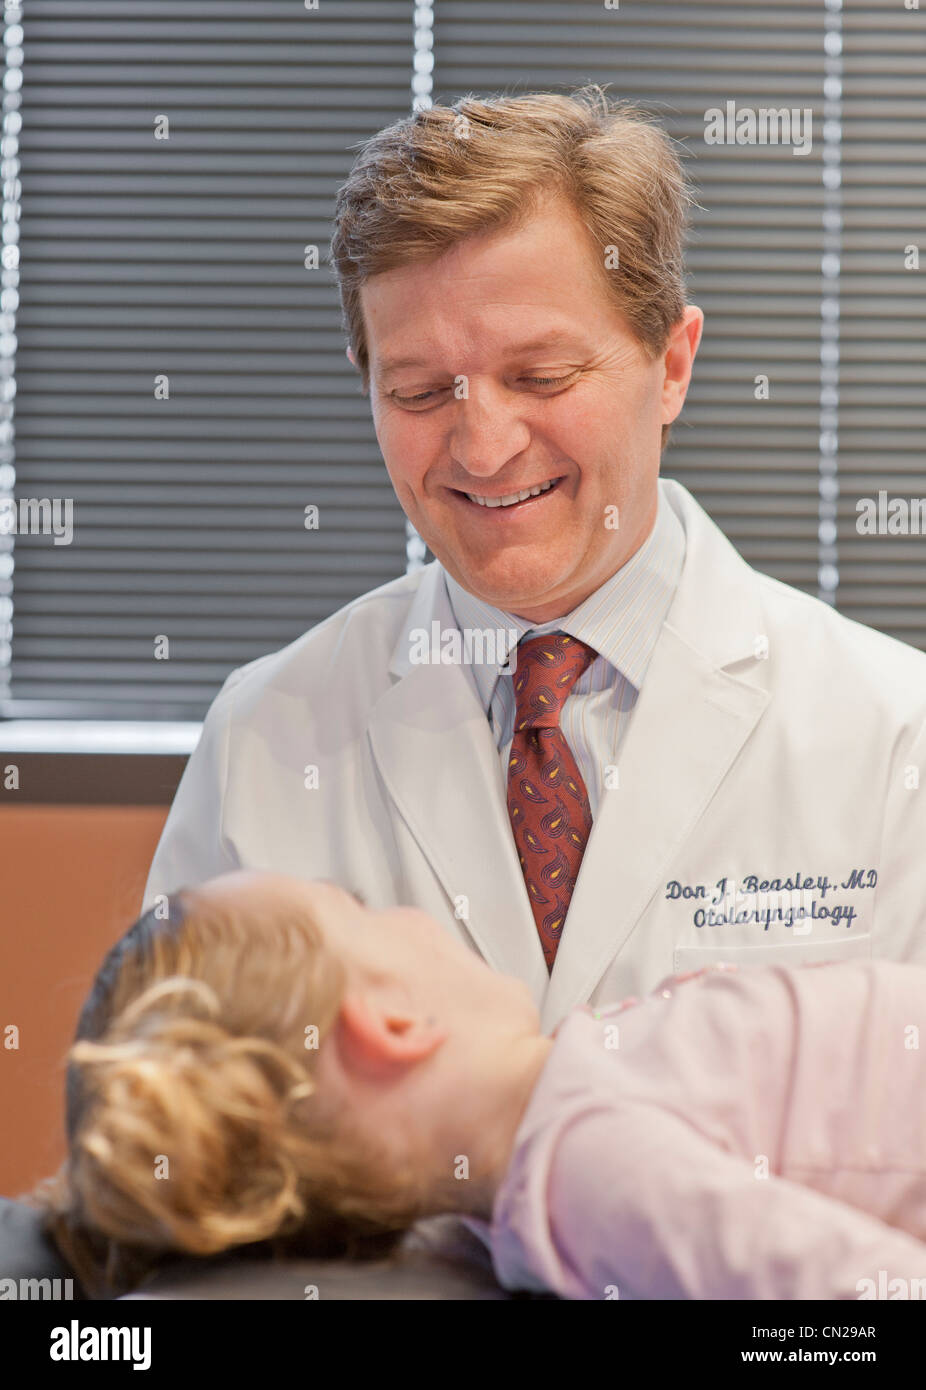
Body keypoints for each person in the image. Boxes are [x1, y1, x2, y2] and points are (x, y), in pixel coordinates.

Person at [143, 86, 926, 1031]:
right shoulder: (266, 735)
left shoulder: (891, 738)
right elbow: (179, 1136)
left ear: (671, 366)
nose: (482, 447)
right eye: (423, 390)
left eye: (541, 377)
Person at [36, 872, 926, 1300]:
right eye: (363, 910)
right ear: (391, 1025)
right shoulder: (588, 1164)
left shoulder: (522, 1181)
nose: (413, 915)